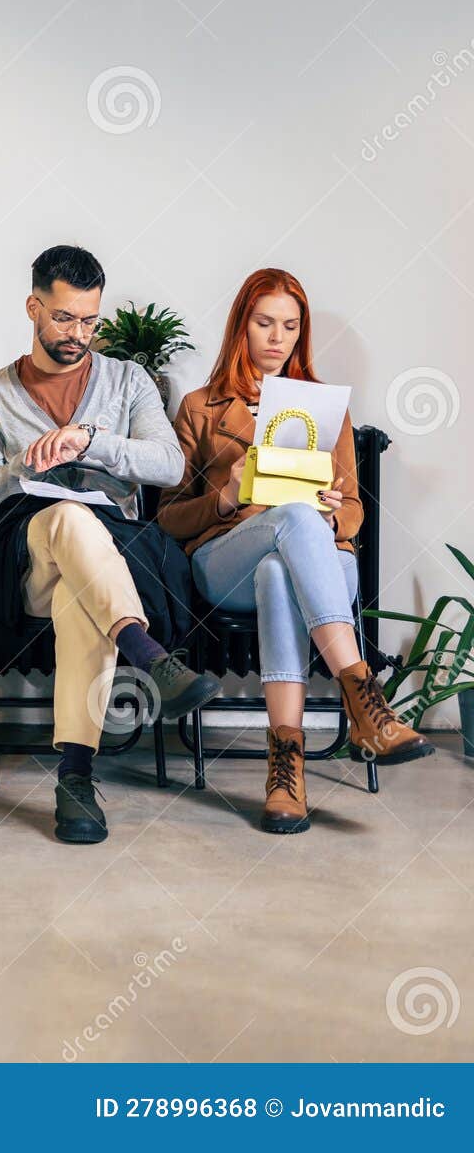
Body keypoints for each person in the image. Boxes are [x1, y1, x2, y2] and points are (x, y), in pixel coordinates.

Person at [0, 244, 221, 845]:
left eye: (89, 320)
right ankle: (150, 657)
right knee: (67, 519)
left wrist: (89, 442)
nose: (77, 333)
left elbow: (169, 464)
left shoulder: (128, 381)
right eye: (63, 318)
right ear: (33, 307)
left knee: (82, 589)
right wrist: (23, 462)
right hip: (26, 563)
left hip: (116, 562)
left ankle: (75, 781)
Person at [158, 269, 431, 834]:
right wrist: (228, 496)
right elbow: (168, 517)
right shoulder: (200, 407)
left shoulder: (325, 407)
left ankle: (286, 769)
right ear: (241, 326)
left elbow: (355, 511)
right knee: (287, 529)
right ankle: (364, 697)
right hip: (225, 558)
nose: (276, 338)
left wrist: (332, 511)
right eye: (264, 323)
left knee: (283, 565)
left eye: (289, 325)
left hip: (322, 561)